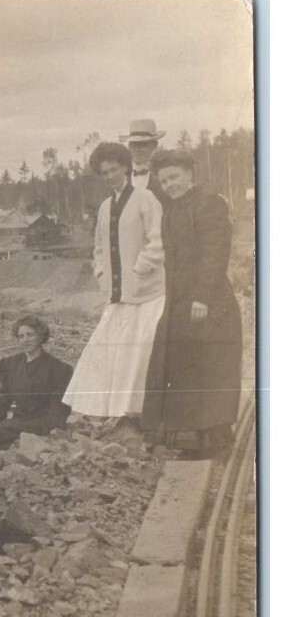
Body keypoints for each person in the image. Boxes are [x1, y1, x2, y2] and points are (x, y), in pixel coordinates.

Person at [141, 149, 242, 456]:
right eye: (164, 181)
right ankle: (190, 440)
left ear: (189, 174)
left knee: (210, 368)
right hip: (179, 304)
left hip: (209, 304)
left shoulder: (209, 204)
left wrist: (202, 296)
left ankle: (216, 441)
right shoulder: (170, 212)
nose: (169, 184)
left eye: (174, 177)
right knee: (182, 367)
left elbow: (215, 253)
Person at [63, 142, 165, 431]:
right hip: (117, 295)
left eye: (114, 169)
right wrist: (101, 274)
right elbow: (98, 247)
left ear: (126, 168)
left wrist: (139, 269)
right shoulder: (105, 207)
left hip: (147, 293)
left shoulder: (145, 199)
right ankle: (120, 414)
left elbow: (159, 239)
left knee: (140, 354)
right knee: (111, 352)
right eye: (104, 172)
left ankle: (142, 416)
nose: (110, 176)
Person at [0, 315, 74, 459]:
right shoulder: (10, 364)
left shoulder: (59, 368)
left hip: (41, 424)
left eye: (30, 335)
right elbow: (4, 401)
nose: (25, 340)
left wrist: (51, 434)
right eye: (21, 336)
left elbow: (59, 408)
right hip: (18, 421)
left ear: (41, 336)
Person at [120, 118, 168, 204]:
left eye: (142, 144)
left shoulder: (163, 177)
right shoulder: (119, 177)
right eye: (133, 145)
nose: (137, 150)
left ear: (154, 145)